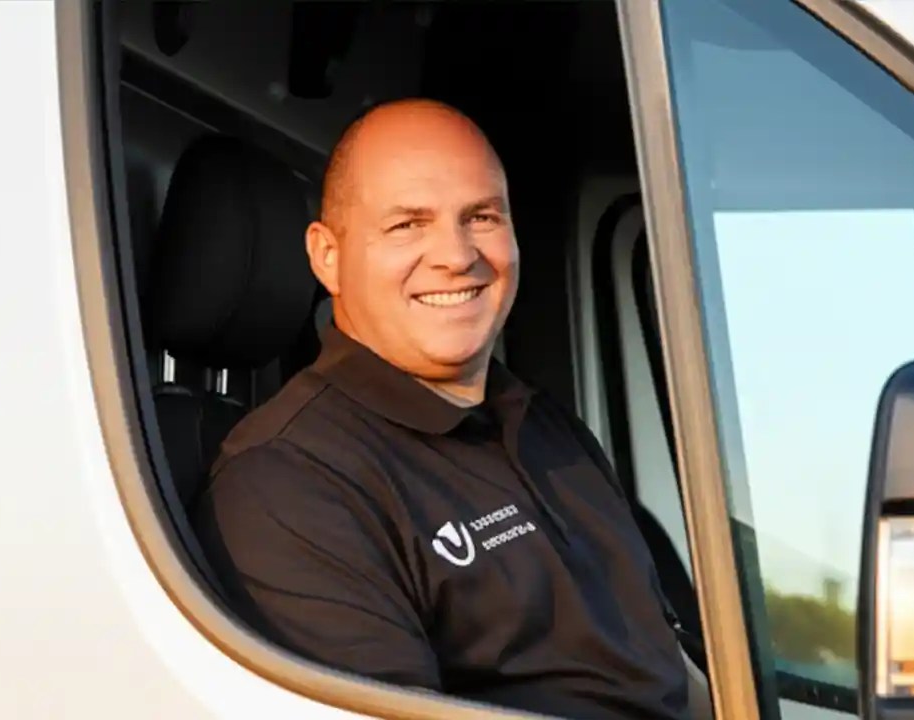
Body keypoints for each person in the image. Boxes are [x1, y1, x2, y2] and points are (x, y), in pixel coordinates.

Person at [195, 98, 710, 720]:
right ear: (327, 256)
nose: (456, 255)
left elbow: (662, 664)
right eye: (408, 224)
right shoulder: (287, 481)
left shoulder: (545, 423)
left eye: (482, 216)